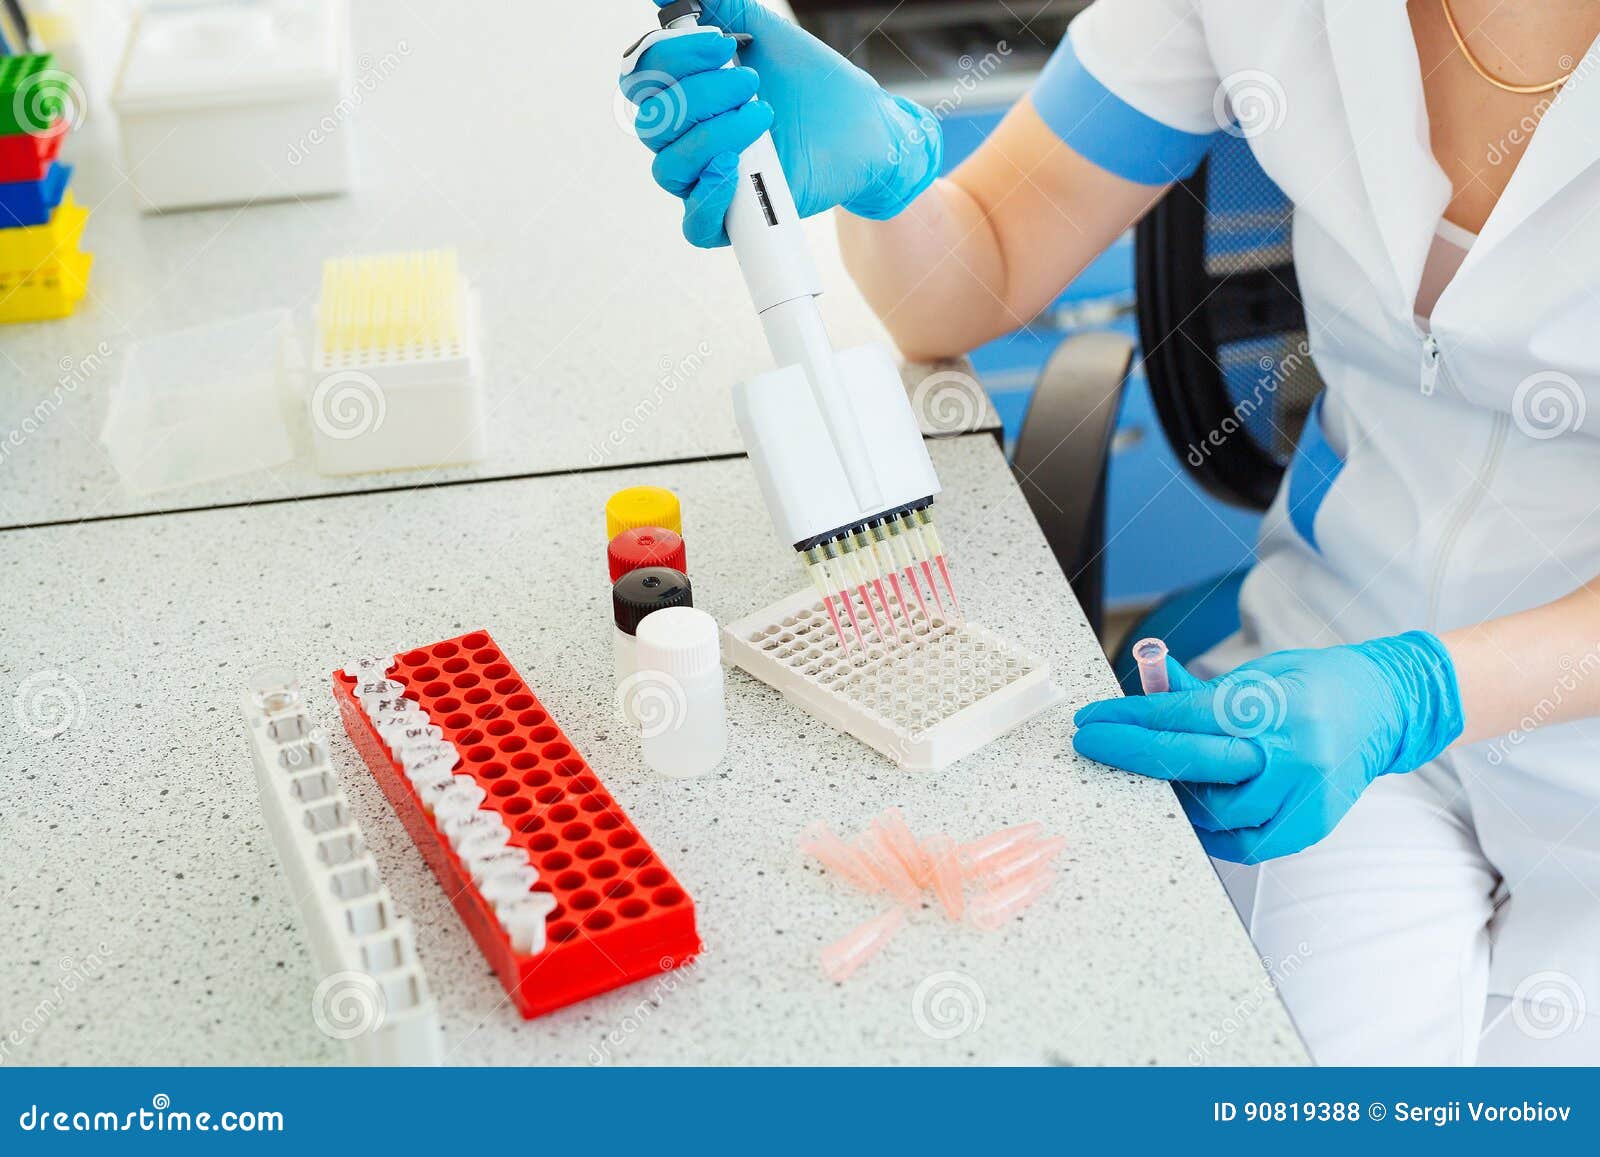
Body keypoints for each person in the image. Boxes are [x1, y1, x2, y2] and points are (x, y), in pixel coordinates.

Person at [620, 0, 1600, 1065]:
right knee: (1280, 1077)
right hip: (1327, 685)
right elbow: (973, 270)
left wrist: (1421, 691)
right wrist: (889, 178)